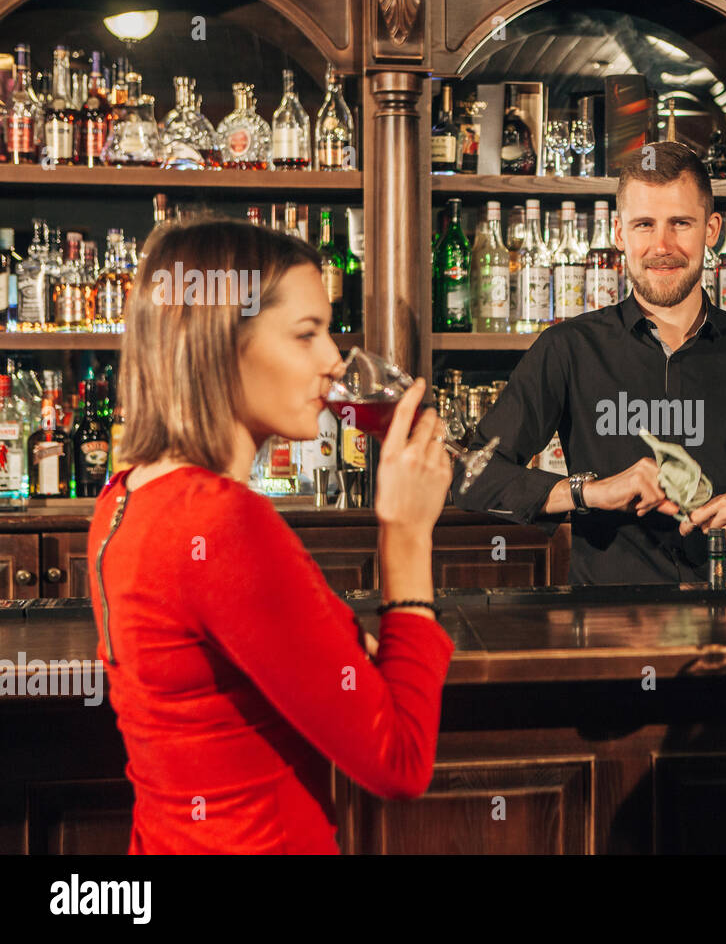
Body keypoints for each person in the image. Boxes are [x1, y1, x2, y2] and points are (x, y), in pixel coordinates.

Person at [90, 219, 456, 853]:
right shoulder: (222, 523)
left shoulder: (123, 495)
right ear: (219, 344)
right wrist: (407, 534)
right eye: (306, 335)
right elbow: (398, 763)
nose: (333, 362)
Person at [453, 141, 726, 584]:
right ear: (620, 234)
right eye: (644, 225)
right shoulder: (567, 349)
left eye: (680, 223)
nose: (662, 246)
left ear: (711, 229)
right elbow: (473, 476)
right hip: (610, 625)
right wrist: (590, 491)